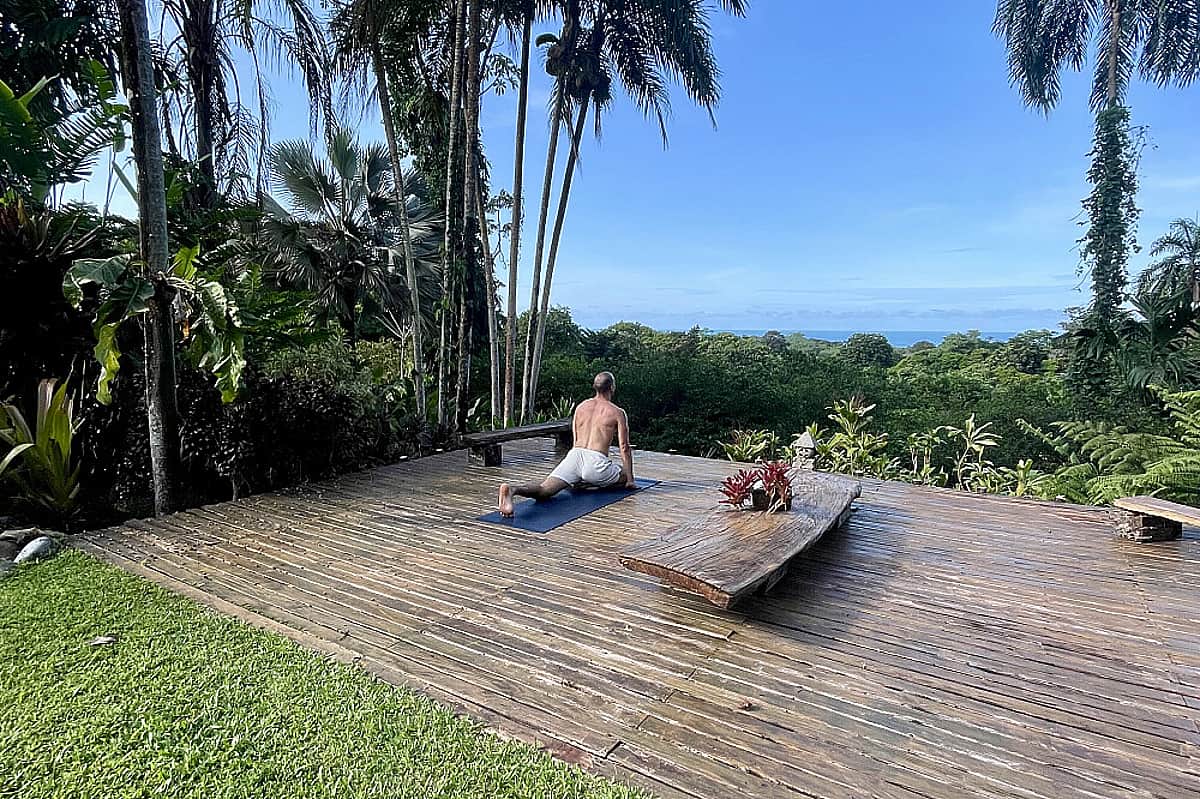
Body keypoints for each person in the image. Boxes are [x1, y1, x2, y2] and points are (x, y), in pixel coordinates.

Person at [498, 371, 636, 517]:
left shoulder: (581, 407)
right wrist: (630, 479)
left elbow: (575, 440)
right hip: (596, 463)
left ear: (594, 387)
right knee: (623, 475)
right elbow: (624, 447)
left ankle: (513, 489)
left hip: (574, 456)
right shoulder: (617, 412)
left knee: (544, 490)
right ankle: (590, 482)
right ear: (612, 387)